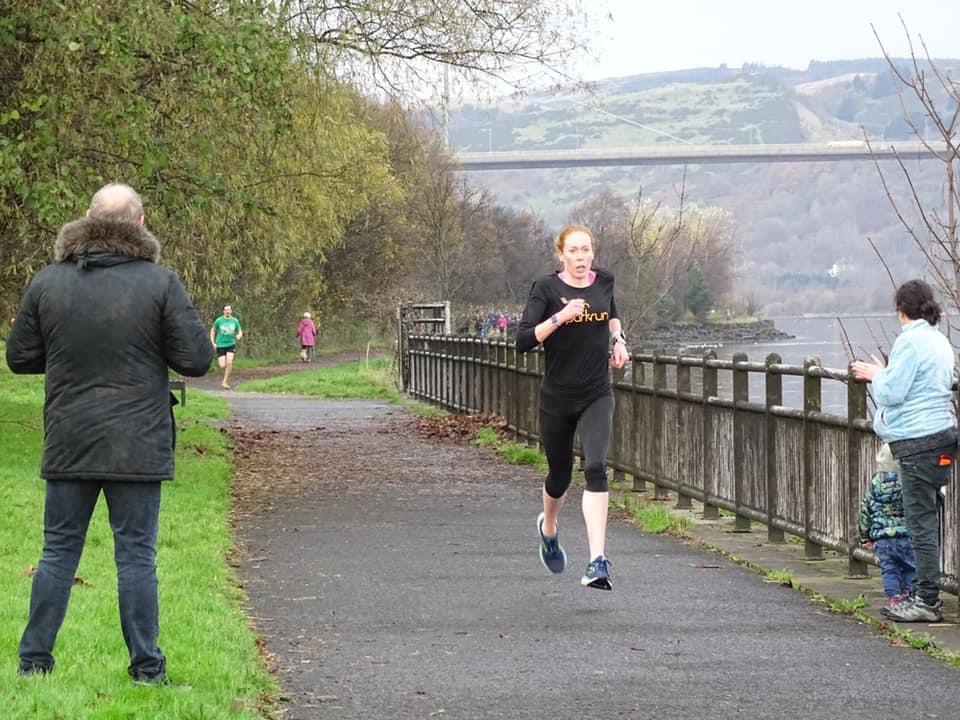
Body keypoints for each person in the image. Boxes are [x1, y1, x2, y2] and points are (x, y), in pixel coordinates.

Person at [5, 183, 214, 682]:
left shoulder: (48, 283)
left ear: (87, 217)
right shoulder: (161, 283)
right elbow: (197, 360)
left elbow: (20, 357)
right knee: (136, 556)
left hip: (70, 438)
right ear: (140, 224)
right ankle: (147, 669)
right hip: (138, 442)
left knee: (57, 551)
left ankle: (34, 663)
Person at [516, 224, 630, 590]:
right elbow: (521, 340)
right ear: (561, 254)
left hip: (597, 392)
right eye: (575, 251)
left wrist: (618, 340)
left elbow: (610, 314)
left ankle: (598, 561)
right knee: (560, 476)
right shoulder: (546, 289)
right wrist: (559, 318)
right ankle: (548, 528)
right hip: (558, 398)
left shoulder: (604, 282)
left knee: (596, 466)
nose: (582, 258)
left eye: (587, 250)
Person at [851, 279, 957, 623]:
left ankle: (926, 599)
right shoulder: (940, 341)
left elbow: (893, 392)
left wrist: (876, 374)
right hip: (943, 435)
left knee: (920, 523)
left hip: (917, 440)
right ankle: (924, 590)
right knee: (930, 517)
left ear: (900, 310)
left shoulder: (910, 342)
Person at [858, 444, 916, 607]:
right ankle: (909, 595)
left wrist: (865, 537)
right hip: (906, 535)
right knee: (911, 568)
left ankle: (893, 598)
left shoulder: (875, 483)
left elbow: (865, 511)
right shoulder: (908, 480)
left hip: (882, 539)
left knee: (889, 569)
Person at [210, 303, 243, 389]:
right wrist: (213, 342)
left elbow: (239, 331)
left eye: (229, 310)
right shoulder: (219, 321)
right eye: (226, 310)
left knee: (229, 362)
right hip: (220, 345)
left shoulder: (235, 321)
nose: (228, 311)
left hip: (231, 344)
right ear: (223, 311)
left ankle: (224, 381)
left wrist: (239, 335)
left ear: (231, 311)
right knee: (222, 365)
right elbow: (213, 331)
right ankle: (225, 377)